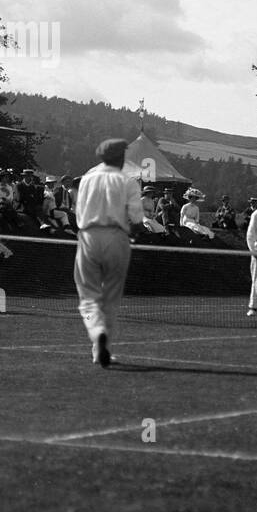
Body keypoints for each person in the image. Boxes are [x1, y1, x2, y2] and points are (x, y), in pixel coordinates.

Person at [74, 138, 145, 366]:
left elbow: (79, 211)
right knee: (111, 298)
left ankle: (97, 334)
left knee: (87, 297)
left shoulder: (87, 178)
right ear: (120, 157)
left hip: (88, 236)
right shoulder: (128, 181)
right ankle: (102, 345)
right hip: (116, 237)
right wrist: (135, 233)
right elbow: (136, 219)